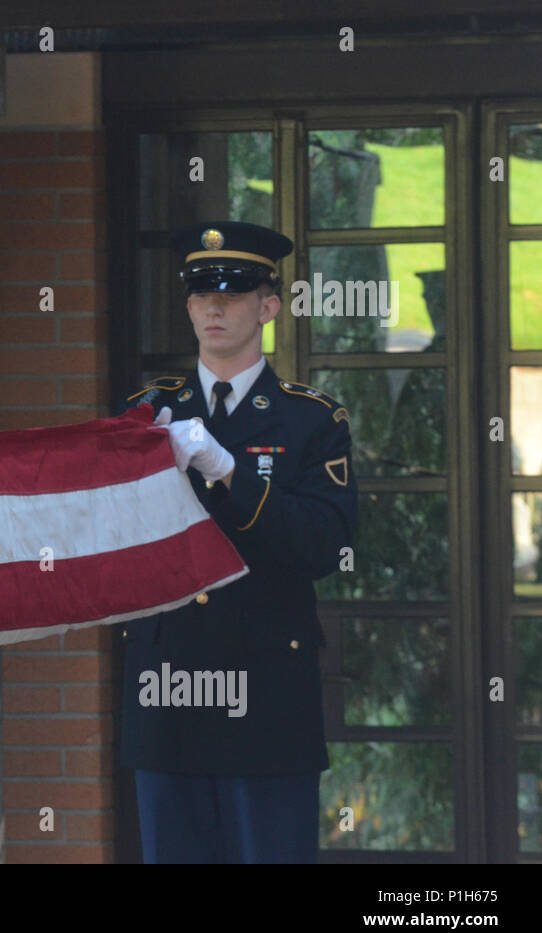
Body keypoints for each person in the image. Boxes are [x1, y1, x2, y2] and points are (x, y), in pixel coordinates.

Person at [119, 221, 358, 863]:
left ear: (269, 307)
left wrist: (229, 472)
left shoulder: (312, 419)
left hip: (266, 695)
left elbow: (323, 545)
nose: (214, 308)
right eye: (201, 295)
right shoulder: (145, 413)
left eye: (232, 292)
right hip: (169, 689)